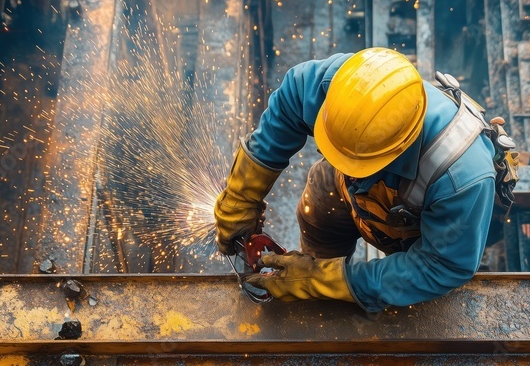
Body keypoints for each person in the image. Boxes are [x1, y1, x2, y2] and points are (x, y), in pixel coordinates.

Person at [214, 48, 499, 312]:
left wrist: (329, 282)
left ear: (395, 152)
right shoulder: (346, 87)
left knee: (412, 289)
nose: (349, 174)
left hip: (423, 225)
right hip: (383, 183)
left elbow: (440, 266)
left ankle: (329, 283)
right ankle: (312, 274)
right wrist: (242, 197)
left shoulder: (461, 179)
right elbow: (289, 101)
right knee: (322, 192)